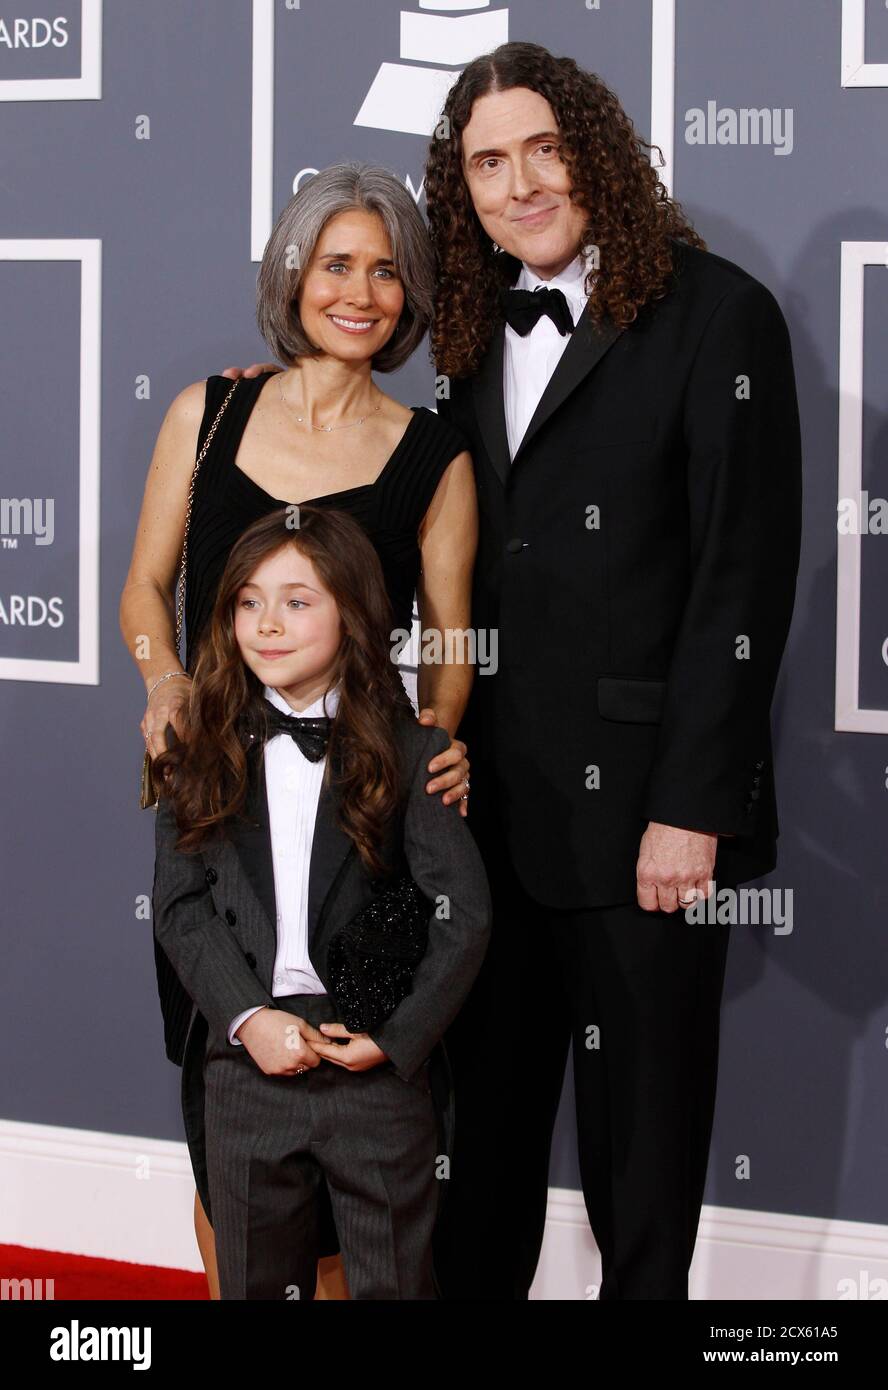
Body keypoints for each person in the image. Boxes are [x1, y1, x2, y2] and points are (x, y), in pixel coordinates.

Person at [225, 42, 803, 1299]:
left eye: (544, 148)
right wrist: (261, 402)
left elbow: (740, 584)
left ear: (596, 153)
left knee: (639, 1170)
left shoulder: (720, 316)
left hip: (648, 819)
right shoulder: (472, 340)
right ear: (465, 190)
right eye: (488, 162)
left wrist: (691, 807)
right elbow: (399, 513)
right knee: (475, 1161)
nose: (521, 183)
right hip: (484, 816)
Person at [120, 163, 478, 1298]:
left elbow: (452, 638)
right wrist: (165, 685)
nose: (360, 292)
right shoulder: (208, 409)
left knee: (356, 1163)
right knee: (225, 1131)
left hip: (362, 844)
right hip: (219, 821)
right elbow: (141, 591)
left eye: (387, 270)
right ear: (294, 275)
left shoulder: (433, 454)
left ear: (413, 292)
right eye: (337, 265)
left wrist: (439, 740)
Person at [151, 505, 491, 1300]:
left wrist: (395, 1040)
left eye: (298, 601)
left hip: (371, 1070)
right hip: (246, 1069)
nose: (267, 624)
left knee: (395, 1284)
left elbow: (464, 918)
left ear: (354, 614)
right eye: (249, 601)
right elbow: (180, 906)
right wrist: (248, 1019)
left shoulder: (418, 754)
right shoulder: (196, 747)